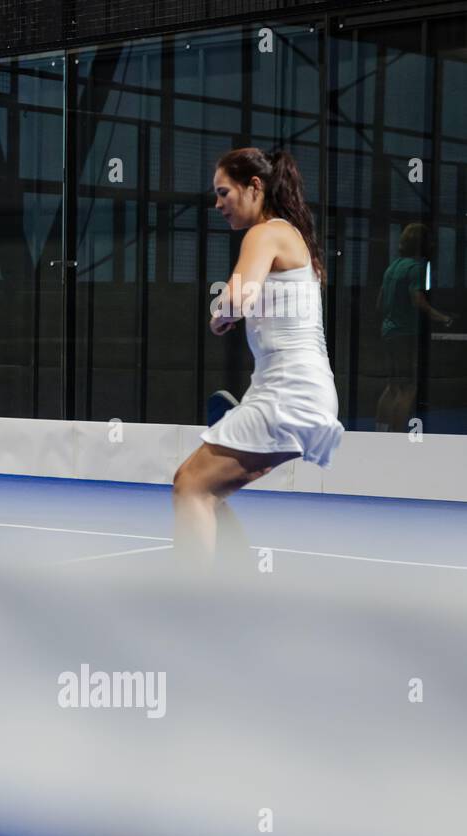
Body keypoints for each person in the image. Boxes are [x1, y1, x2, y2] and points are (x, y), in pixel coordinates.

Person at [173, 148, 343, 564]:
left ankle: (193, 599)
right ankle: (236, 588)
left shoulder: (265, 233)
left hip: (290, 391)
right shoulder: (288, 235)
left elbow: (238, 296)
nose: (217, 204)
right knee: (207, 489)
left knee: (190, 485)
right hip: (300, 390)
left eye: (223, 192)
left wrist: (219, 316)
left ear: (254, 187)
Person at [375, 224, 454, 433]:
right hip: (405, 334)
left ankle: (380, 432)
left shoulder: (393, 267)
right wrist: (443, 317)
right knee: (408, 388)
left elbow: (380, 303)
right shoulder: (417, 268)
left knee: (393, 386)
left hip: (388, 332)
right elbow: (418, 300)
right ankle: (399, 437)